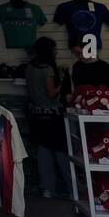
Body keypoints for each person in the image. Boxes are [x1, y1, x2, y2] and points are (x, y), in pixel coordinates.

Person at [25, 36, 70, 199]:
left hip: (36, 115)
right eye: (54, 49)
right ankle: (72, 187)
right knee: (61, 152)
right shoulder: (48, 69)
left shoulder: (29, 68)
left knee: (43, 151)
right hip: (52, 115)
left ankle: (47, 189)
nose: (56, 52)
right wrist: (63, 80)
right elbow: (51, 94)